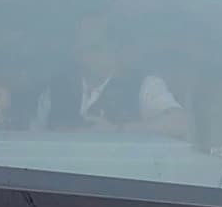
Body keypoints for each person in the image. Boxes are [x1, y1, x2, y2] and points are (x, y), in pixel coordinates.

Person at [34, 13, 187, 138]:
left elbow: (178, 123)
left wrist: (118, 130)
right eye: (81, 49)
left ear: (115, 48)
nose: (87, 56)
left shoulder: (145, 85)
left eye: (95, 48)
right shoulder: (55, 91)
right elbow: (33, 139)